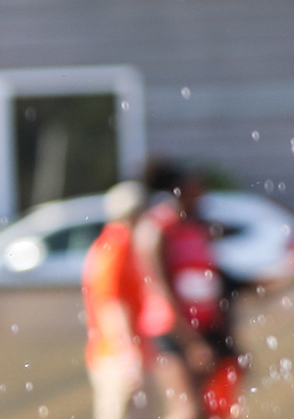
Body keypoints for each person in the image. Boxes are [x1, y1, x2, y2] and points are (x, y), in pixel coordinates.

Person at [135, 162, 237, 419]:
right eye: (196, 190)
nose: (202, 197)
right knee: (187, 408)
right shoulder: (158, 230)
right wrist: (191, 343)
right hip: (172, 329)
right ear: (178, 192)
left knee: (209, 408)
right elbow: (159, 288)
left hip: (203, 326)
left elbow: (213, 283)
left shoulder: (197, 228)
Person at [83, 181, 148, 419]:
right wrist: (128, 352)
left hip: (120, 351)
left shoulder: (118, 244)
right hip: (115, 354)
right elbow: (110, 304)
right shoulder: (115, 246)